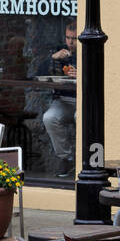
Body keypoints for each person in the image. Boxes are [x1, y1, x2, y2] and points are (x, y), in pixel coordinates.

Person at [37, 21, 77, 177]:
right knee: (49, 117)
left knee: (79, 117)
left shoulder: (89, 51)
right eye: (68, 38)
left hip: (82, 101)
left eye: (74, 38)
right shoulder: (60, 53)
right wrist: (52, 58)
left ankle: (84, 158)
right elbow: (38, 74)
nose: (71, 42)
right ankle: (66, 158)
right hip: (62, 100)